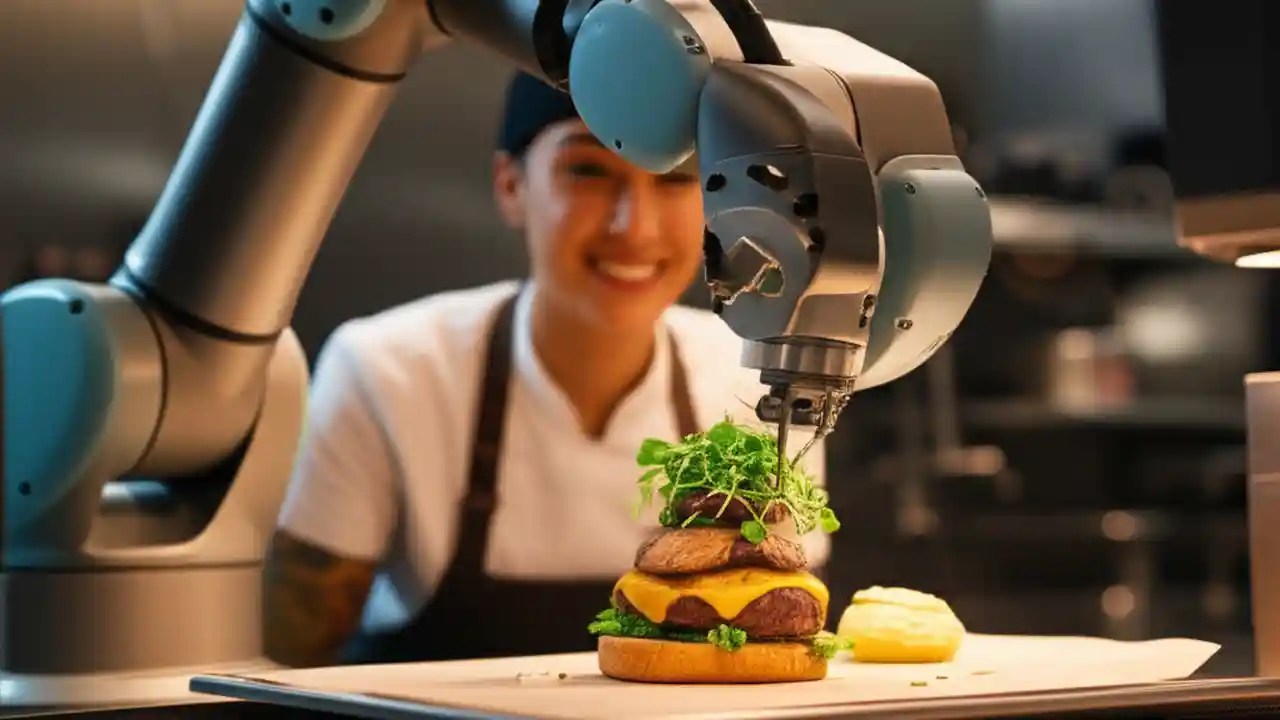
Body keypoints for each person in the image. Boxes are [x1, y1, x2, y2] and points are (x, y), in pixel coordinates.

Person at [262, 72, 829, 668]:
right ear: (511, 185)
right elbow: (287, 662)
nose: (633, 228)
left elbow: (780, 644)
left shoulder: (756, 378)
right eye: (587, 171)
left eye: (675, 179)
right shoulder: (387, 370)